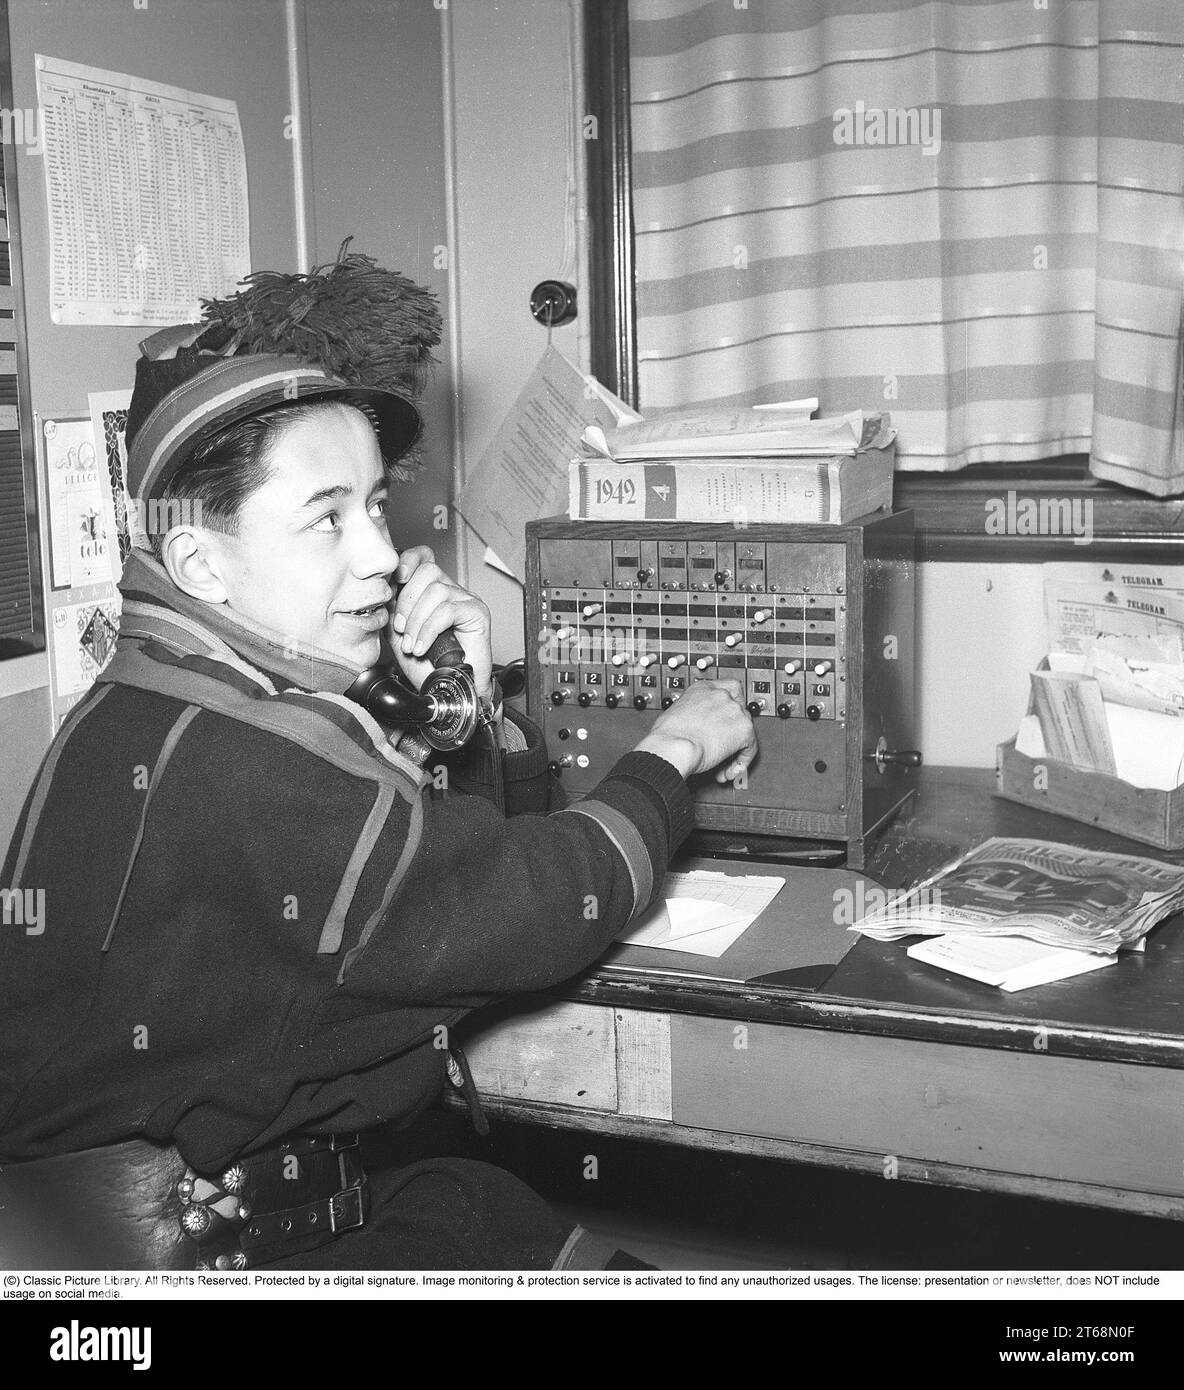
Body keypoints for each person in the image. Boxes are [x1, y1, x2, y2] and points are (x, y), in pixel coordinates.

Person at [0, 246, 756, 1271]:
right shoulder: (256, 769)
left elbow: (401, 876)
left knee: (495, 1212)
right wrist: (671, 753)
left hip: (201, 1214)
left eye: (372, 505)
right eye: (325, 518)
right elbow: (536, 903)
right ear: (198, 563)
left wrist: (447, 696)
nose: (378, 554)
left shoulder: (141, 708)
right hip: (210, 1258)